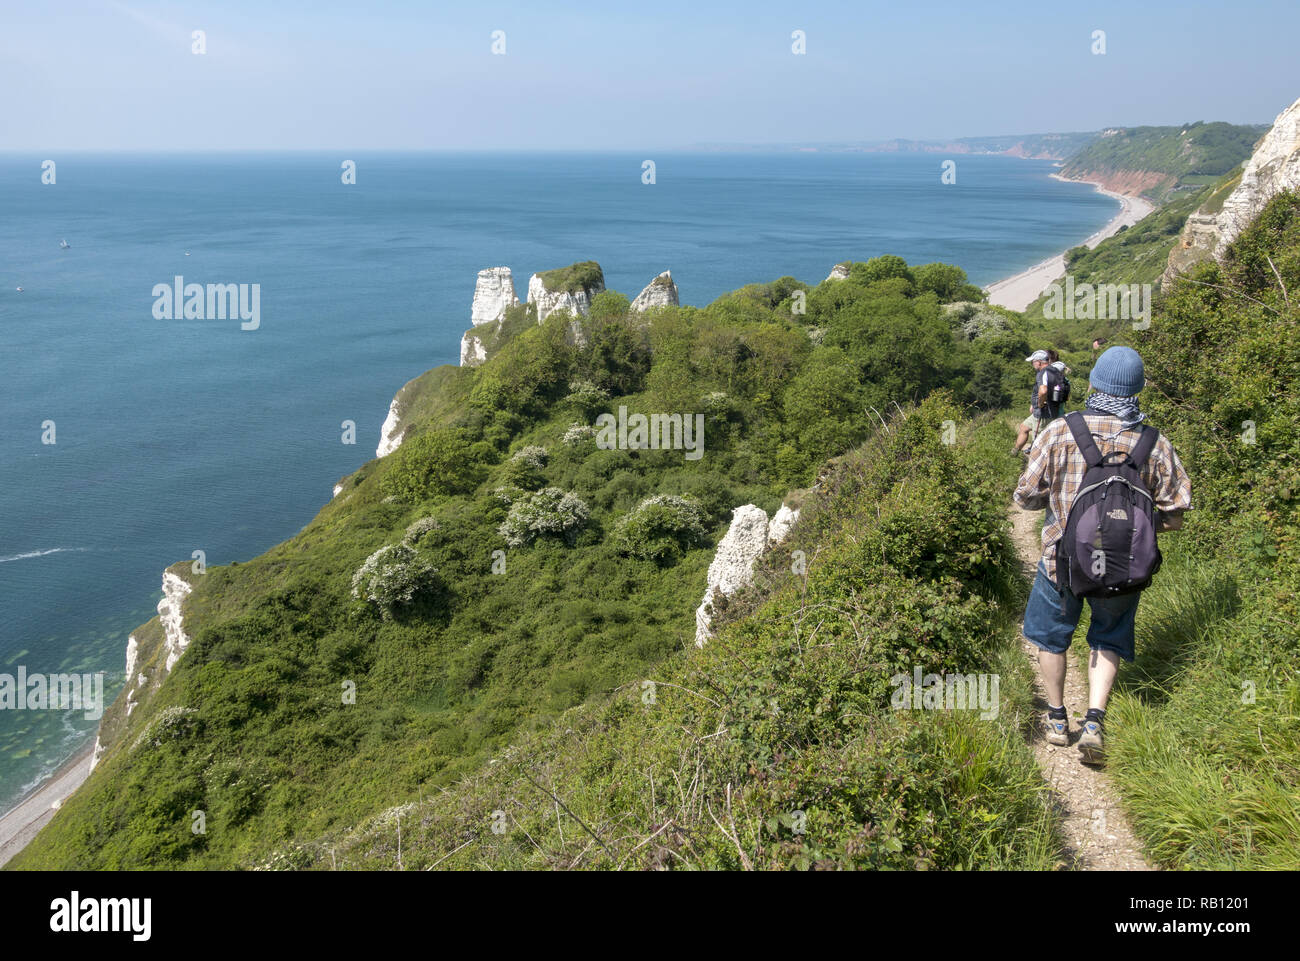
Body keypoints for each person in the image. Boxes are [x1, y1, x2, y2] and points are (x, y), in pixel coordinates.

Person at [1014, 346, 1192, 764]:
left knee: (1051, 637)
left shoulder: (1059, 431)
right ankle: (1094, 721)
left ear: (1093, 383)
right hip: (1125, 565)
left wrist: (1060, 504)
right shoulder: (1154, 442)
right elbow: (1175, 515)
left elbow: (1024, 497)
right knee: (1108, 635)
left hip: (1063, 559)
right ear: (1138, 390)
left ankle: (1057, 720)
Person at [1012, 349, 1062, 454]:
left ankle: (1036, 464)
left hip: (1043, 413)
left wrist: (1039, 403)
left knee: (1038, 440)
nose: (1032, 364)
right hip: (1048, 410)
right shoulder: (1053, 370)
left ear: (1038, 362)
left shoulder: (1042, 373)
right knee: (1024, 427)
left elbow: (1043, 391)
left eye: (1033, 362)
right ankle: (1014, 453)